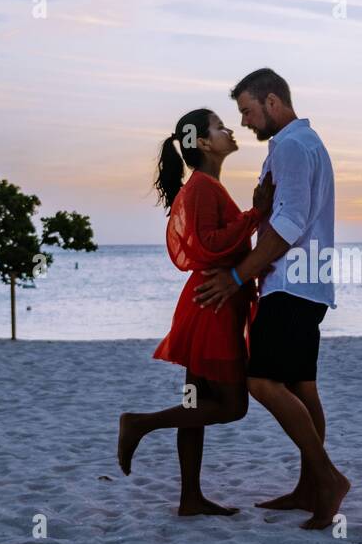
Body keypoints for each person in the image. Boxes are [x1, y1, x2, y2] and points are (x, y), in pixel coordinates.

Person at [195, 68, 350, 530]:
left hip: (292, 284)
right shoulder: (307, 144)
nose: (244, 122)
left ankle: (326, 478)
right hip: (309, 282)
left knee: (261, 381)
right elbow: (281, 216)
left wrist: (237, 278)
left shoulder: (291, 148)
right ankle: (308, 486)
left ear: (272, 102)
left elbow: (291, 223)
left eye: (246, 110)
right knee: (301, 385)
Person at [116, 108, 275, 516]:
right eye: (220, 127)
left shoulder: (207, 185)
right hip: (213, 311)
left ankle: (190, 497)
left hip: (208, 304)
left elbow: (212, 241)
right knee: (232, 405)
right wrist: (255, 214)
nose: (229, 130)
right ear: (204, 143)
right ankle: (139, 423)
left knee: (193, 407)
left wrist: (250, 218)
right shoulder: (204, 186)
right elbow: (206, 245)